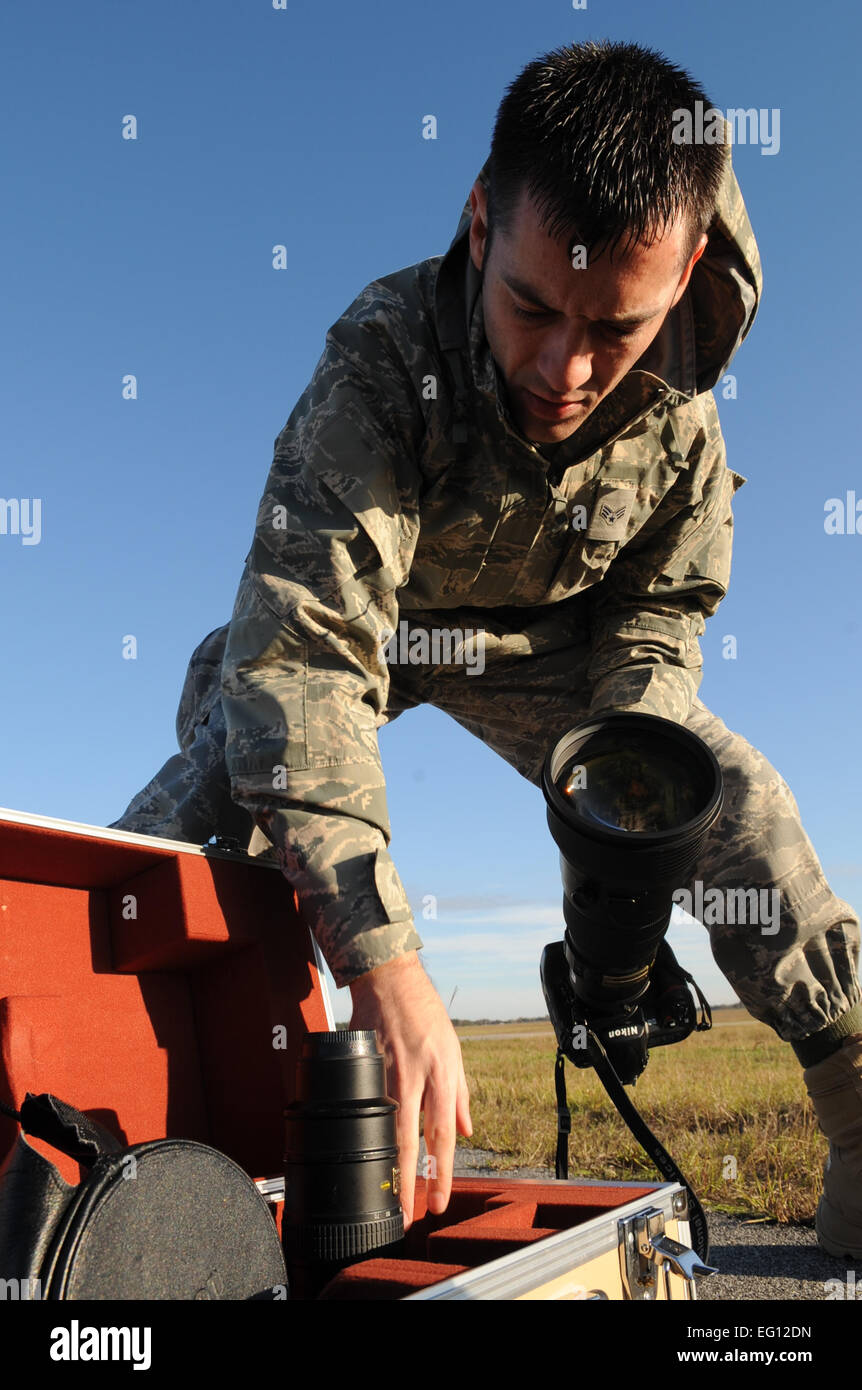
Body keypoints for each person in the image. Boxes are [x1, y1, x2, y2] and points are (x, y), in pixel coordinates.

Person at [111, 39, 862, 1258]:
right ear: (477, 222)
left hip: (558, 652)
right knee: (206, 794)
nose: (564, 371)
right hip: (379, 625)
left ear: (674, 288)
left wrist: (623, 760)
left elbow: (666, 606)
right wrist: (384, 957)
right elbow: (304, 660)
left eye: (613, 328)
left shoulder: (682, 408)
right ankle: (95, 1128)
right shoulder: (381, 354)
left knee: (740, 810)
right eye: (529, 307)